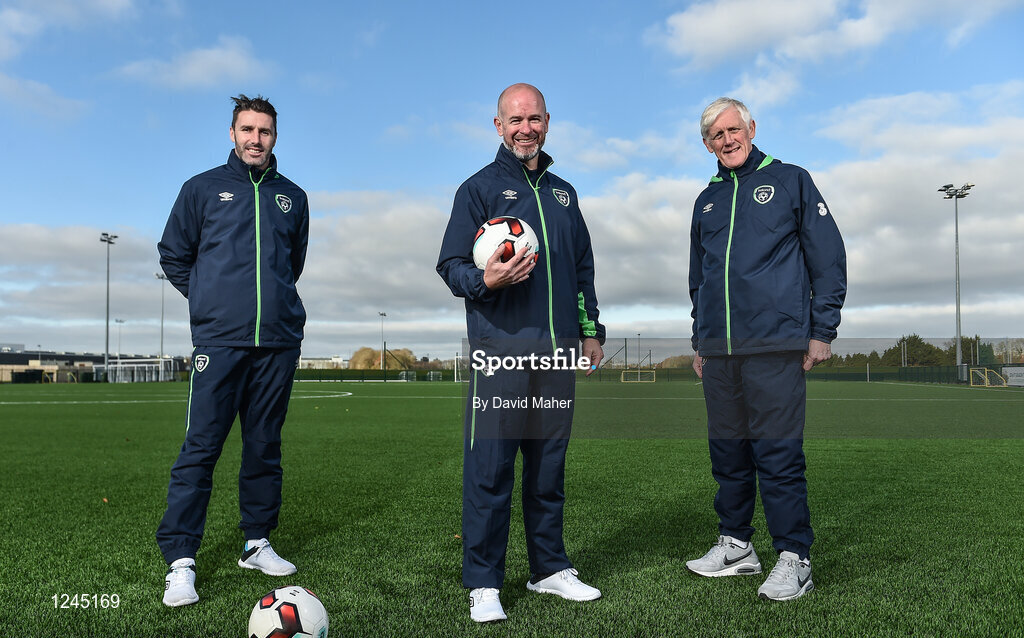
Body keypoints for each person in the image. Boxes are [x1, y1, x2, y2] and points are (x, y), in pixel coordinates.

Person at [437, 83, 605, 623]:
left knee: (548, 468)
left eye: (534, 119)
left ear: (547, 122)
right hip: (501, 354)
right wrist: (484, 280)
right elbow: (450, 265)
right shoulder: (478, 189)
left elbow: (581, 269)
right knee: (490, 469)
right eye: (515, 120)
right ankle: (484, 582)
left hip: (556, 355)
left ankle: (548, 568)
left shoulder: (564, 194)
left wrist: (591, 330)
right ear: (498, 125)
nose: (525, 128)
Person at [686, 97, 846, 601]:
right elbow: (699, 279)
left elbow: (828, 259)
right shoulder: (706, 201)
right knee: (728, 452)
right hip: (719, 350)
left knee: (777, 452)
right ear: (707, 144)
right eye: (717, 135)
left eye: (734, 129)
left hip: (776, 344)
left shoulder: (792, 180)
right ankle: (737, 545)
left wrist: (822, 330)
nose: (727, 140)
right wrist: (701, 340)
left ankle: (794, 556)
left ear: (751, 129)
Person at [155, 94, 309, 607]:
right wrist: (209, 300)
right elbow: (173, 254)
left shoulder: (293, 197)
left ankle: (256, 543)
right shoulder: (201, 189)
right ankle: (181, 560)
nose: (255, 139)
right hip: (219, 342)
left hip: (278, 342)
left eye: (264, 131)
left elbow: (292, 264)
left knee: (264, 447)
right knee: (201, 449)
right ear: (232, 133)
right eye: (247, 129)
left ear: (274, 137)